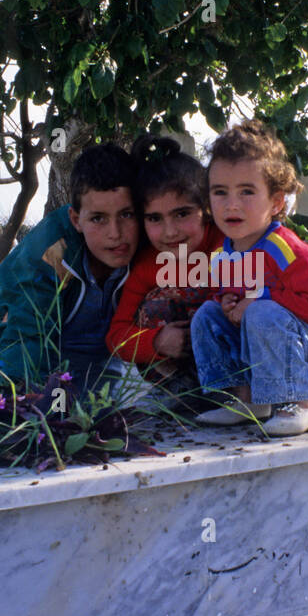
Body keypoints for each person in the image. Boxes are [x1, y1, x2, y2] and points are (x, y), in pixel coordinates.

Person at [190, 120, 308, 437]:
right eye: (220, 192)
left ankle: (303, 404)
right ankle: (247, 400)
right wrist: (225, 302)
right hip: (265, 360)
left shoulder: (286, 249)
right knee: (206, 315)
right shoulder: (223, 253)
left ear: (276, 202)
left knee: (261, 311)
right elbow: (228, 296)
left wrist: (257, 299)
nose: (232, 203)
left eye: (247, 192)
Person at [0, 143, 140, 391]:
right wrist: (25, 403)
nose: (115, 233)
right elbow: (26, 340)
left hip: (106, 363)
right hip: (47, 361)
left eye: (127, 215)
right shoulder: (48, 254)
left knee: (102, 419)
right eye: (98, 218)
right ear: (76, 220)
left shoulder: (152, 240)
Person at [105, 135, 222, 410]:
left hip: (235, 352)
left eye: (182, 214)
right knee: (157, 305)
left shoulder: (229, 242)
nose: (170, 232)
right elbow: (116, 336)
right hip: (184, 362)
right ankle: (183, 393)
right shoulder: (148, 264)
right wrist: (157, 341)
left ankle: (248, 390)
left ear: (205, 208)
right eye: (155, 218)